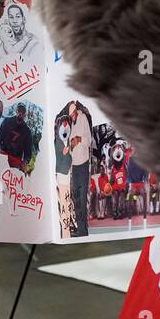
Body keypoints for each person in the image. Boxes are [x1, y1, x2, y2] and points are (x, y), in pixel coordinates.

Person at [65, 100, 93, 236]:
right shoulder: (72, 124)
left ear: (76, 111)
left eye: (72, 115)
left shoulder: (83, 119)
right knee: (76, 199)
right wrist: (69, 147)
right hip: (74, 166)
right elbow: (71, 148)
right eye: (70, 116)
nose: (72, 117)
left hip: (83, 164)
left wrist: (79, 139)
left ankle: (83, 231)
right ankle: (80, 229)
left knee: (82, 198)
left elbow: (88, 140)